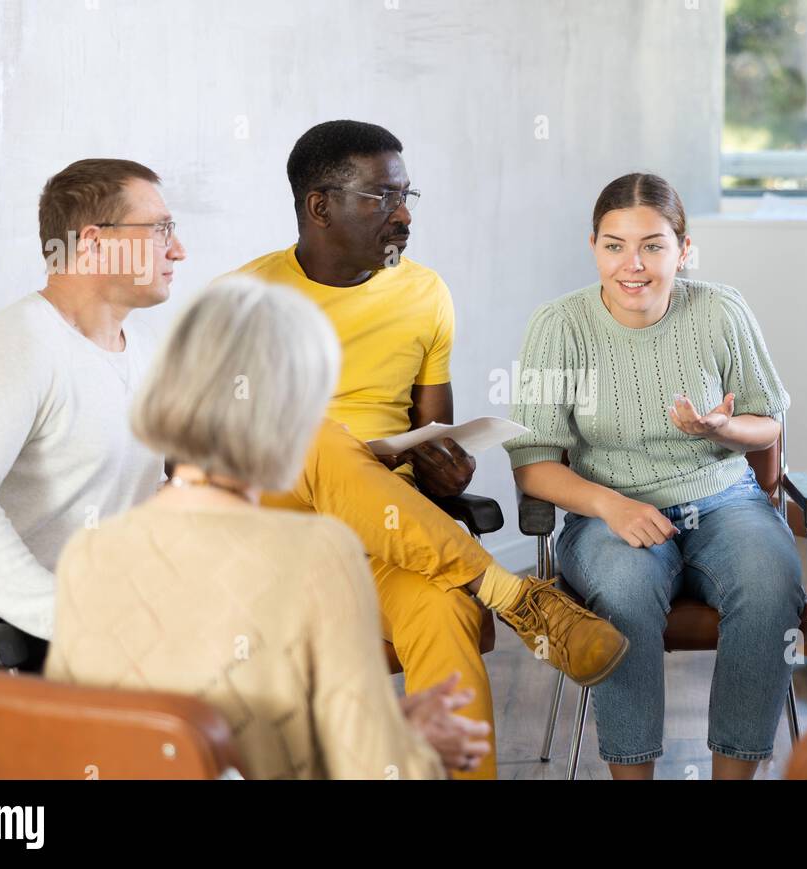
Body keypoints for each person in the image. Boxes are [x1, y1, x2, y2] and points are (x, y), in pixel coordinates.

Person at [236, 120, 627, 779]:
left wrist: (447, 470)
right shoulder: (244, 300)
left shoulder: (425, 293)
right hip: (278, 532)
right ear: (320, 205)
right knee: (314, 434)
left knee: (444, 608)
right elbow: (187, 453)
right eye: (382, 197)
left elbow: (430, 434)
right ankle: (511, 591)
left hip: (387, 534)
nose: (404, 214)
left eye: (406, 193)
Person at [46, 276, 484, 779]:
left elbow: (138, 742)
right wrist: (416, 748)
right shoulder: (318, 553)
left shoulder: (91, 551)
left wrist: (384, 723)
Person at [508, 173, 805, 780]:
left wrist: (721, 431)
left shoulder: (721, 308)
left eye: (653, 245)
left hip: (724, 501)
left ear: (684, 248)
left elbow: (767, 423)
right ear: (592, 246)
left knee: (771, 580)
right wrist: (610, 506)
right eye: (614, 245)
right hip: (610, 511)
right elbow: (533, 464)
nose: (632, 265)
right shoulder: (558, 326)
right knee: (622, 592)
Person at [0, 159, 185, 669]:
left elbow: (133, 494)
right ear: (94, 243)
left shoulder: (143, 349)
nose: (178, 249)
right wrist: (71, 618)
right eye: (160, 229)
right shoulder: (17, 345)